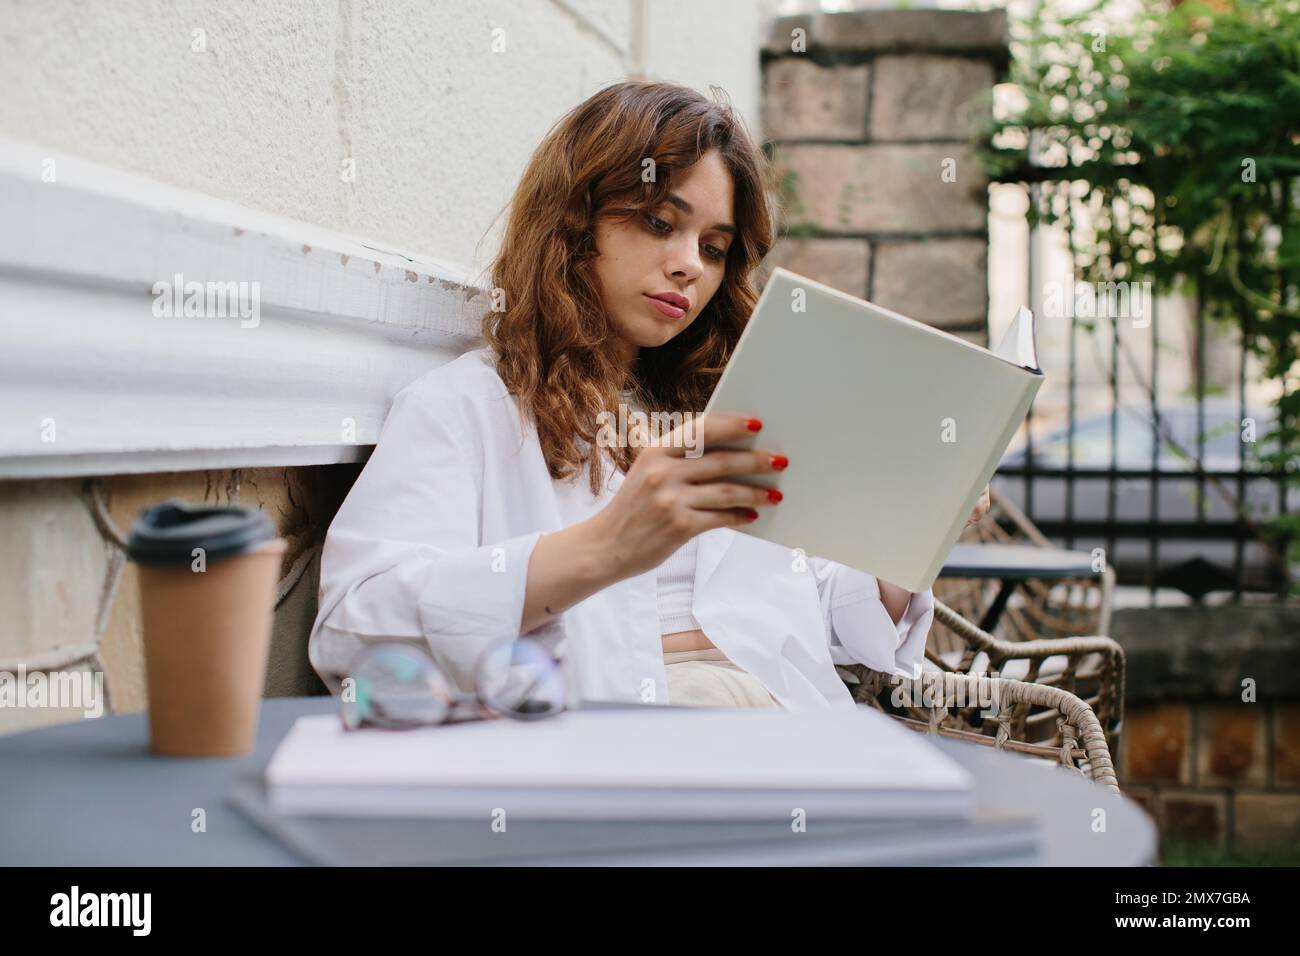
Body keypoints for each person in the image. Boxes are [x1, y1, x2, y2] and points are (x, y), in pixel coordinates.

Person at [308, 80, 990, 712]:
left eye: (715, 247)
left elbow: (825, 615)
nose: (690, 263)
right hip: (620, 743)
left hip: (789, 721)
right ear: (575, 225)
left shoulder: (731, 401)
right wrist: (604, 548)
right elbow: (355, 635)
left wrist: (912, 538)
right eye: (661, 222)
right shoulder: (467, 406)